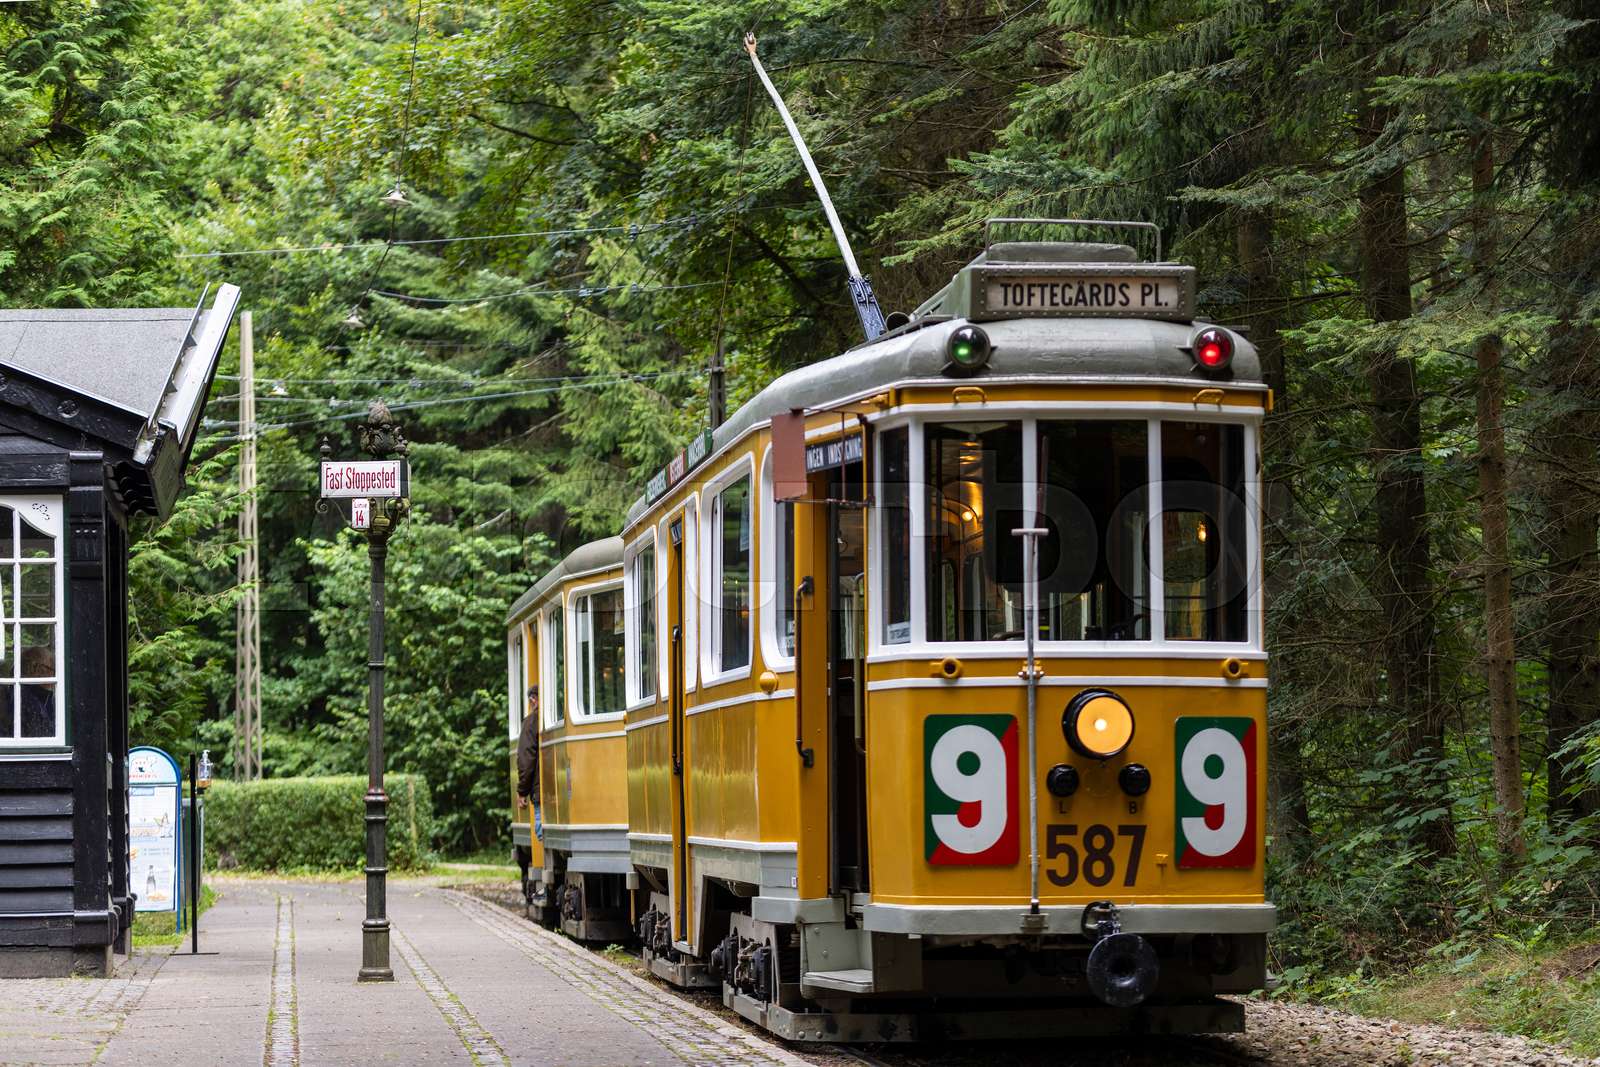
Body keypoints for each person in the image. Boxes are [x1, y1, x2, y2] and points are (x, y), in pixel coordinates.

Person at [515, 686, 540, 901]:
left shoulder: (531, 722)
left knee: (540, 833)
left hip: (539, 790)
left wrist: (521, 791)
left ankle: (542, 886)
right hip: (546, 789)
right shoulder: (544, 720)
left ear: (533, 700)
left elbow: (526, 758)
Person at [19, 645, 55, 739]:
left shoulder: (43, 698)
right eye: (51, 668)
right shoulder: (26, 699)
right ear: (36, 668)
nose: (54, 674)